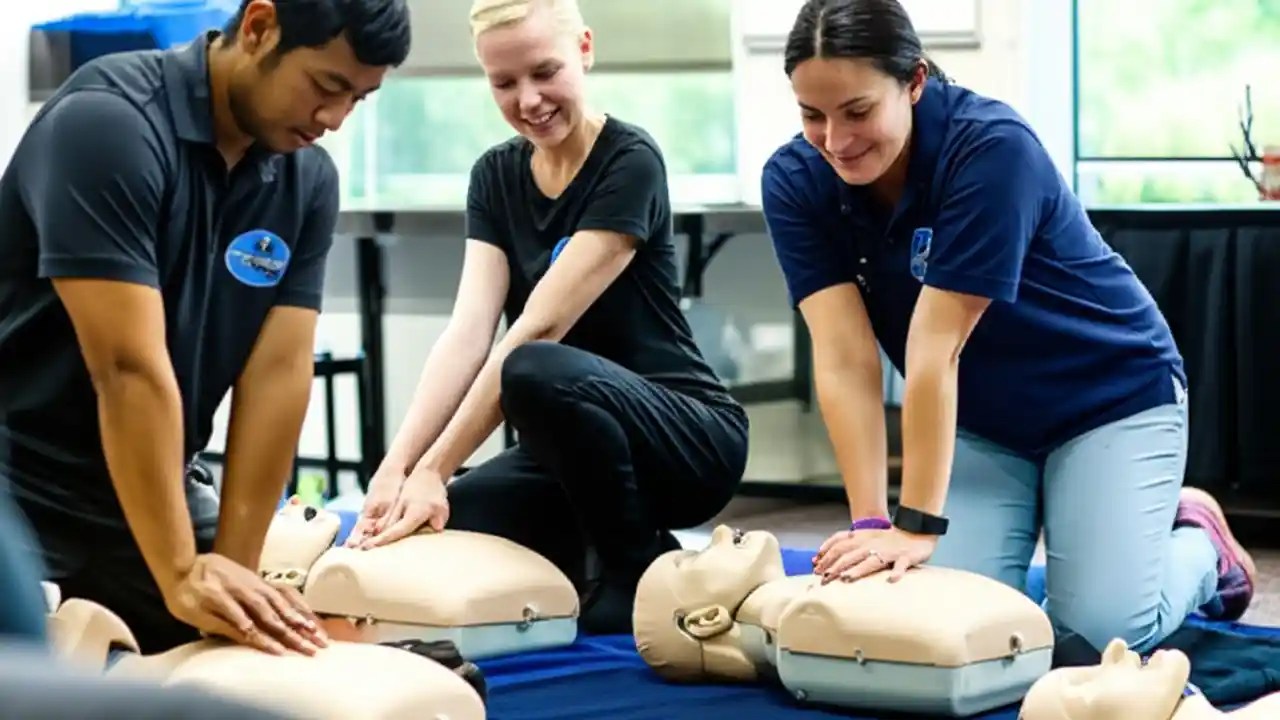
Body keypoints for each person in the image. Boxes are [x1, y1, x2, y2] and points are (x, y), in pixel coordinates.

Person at [762, 0, 1255, 656]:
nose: (835, 140)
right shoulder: (795, 179)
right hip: (983, 423)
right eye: (811, 115)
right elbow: (845, 357)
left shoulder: (991, 147)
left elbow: (935, 348)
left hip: (1109, 399)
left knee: (1097, 634)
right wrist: (874, 524)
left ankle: (1201, 547)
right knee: (950, 631)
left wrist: (917, 522)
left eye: (857, 112)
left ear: (914, 81)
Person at [0, 0, 412, 656]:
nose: (333, 120)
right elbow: (128, 370)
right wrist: (178, 576)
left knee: (269, 654)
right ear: (257, 28)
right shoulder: (108, 126)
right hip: (19, 484)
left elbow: (277, 377)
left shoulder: (305, 180)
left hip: (153, 483)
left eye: (358, 100)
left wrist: (231, 578)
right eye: (326, 86)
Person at [348, 0, 750, 634]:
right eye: (503, 83)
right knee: (454, 513)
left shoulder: (629, 160)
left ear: (585, 49)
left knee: (533, 365)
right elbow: (467, 333)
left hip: (685, 441)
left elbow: (538, 330)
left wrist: (434, 465)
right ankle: (610, 557)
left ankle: (632, 568)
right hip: (571, 450)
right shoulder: (495, 176)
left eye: (544, 72)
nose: (528, 100)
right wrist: (398, 469)